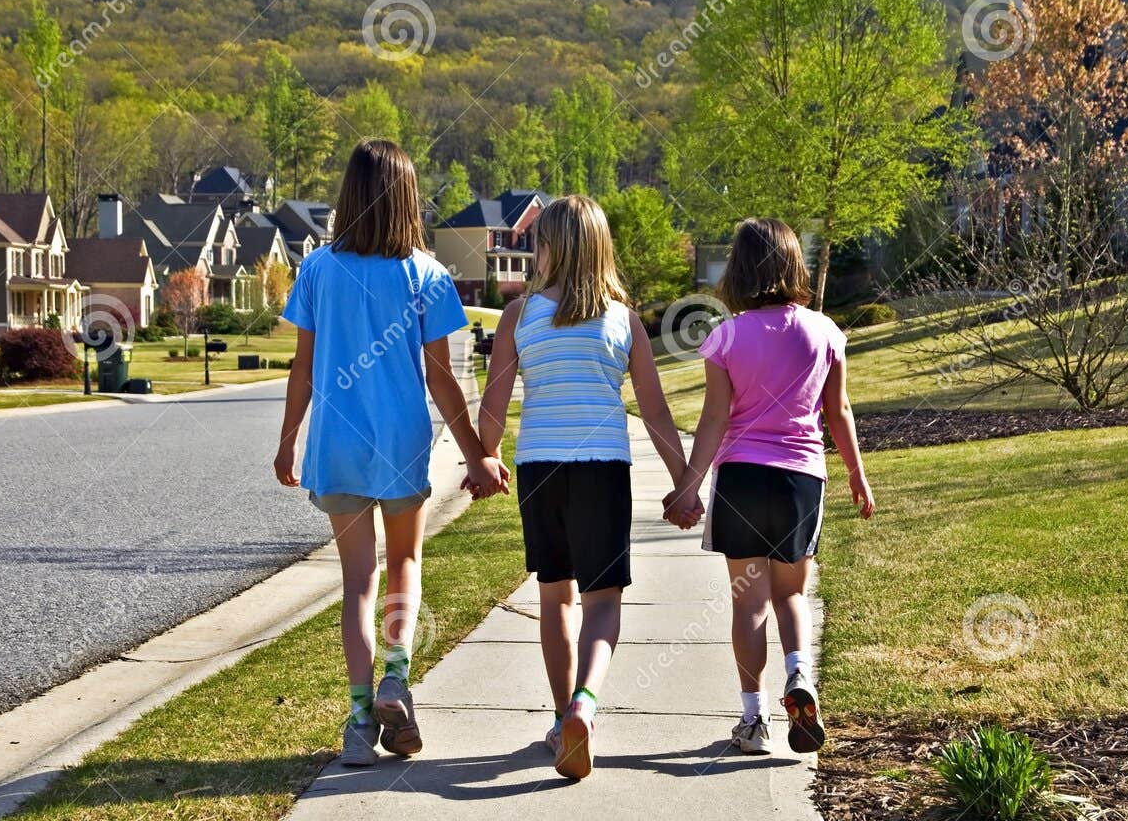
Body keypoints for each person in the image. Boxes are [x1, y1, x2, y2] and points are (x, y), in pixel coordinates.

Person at [273, 140, 508, 767]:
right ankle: (396, 679)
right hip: (402, 443)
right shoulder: (426, 274)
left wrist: (288, 438)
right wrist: (478, 454)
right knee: (404, 560)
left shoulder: (318, 269)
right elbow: (442, 379)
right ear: (409, 198)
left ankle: (356, 724)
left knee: (357, 581)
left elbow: (301, 369)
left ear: (348, 194)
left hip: (335, 445)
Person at [475, 195, 689, 780]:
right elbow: (654, 410)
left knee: (555, 596)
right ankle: (585, 707)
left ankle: (559, 717)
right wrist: (685, 484)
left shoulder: (519, 316)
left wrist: (485, 457)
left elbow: (495, 401)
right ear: (601, 249)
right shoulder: (624, 319)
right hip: (602, 469)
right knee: (602, 602)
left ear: (547, 248)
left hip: (541, 467)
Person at [663, 218, 875, 755]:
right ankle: (800, 676)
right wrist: (858, 475)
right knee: (792, 594)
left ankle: (753, 720)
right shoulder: (825, 331)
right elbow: (839, 411)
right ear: (793, 265)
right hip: (801, 479)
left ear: (737, 270)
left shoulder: (726, 336)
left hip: (740, 480)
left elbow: (713, 420)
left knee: (748, 604)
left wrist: (688, 489)